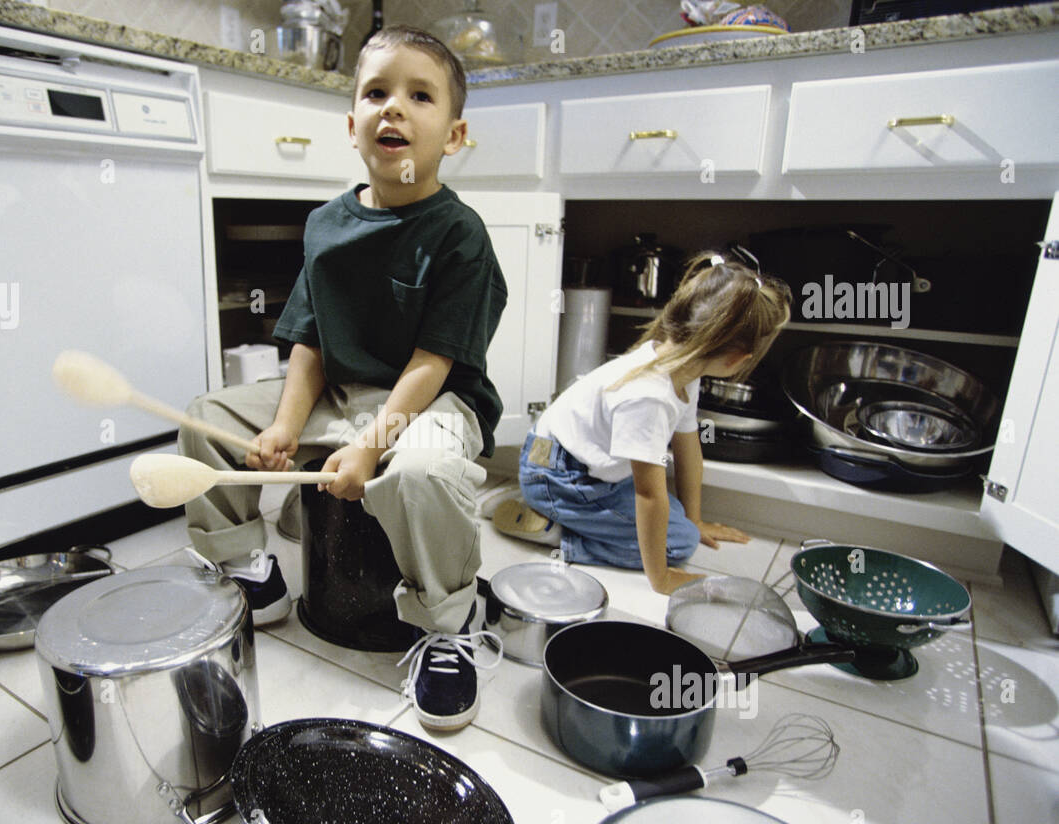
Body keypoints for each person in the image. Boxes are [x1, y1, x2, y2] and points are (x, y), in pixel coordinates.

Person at [178, 26, 507, 731]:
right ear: (352, 124)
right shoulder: (326, 224)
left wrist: (372, 444)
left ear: (453, 136)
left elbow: (433, 363)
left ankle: (448, 624)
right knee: (205, 416)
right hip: (340, 393)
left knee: (417, 475)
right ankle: (250, 572)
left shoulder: (460, 234)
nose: (395, 109)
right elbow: (310, 343)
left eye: (420, 96)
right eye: (377, 93)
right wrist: (284, 427)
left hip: (431, 399)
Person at [494, 252, 791, 595]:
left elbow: (687, 443)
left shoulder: (680, 362)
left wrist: (694, 519)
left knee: (678, 519)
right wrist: (661, 577)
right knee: (678, 544)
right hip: (555, 475)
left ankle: (560, 513)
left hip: (574, 463)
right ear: (738, 359)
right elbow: (648, 495)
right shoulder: (649, 396)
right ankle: (554, 531)